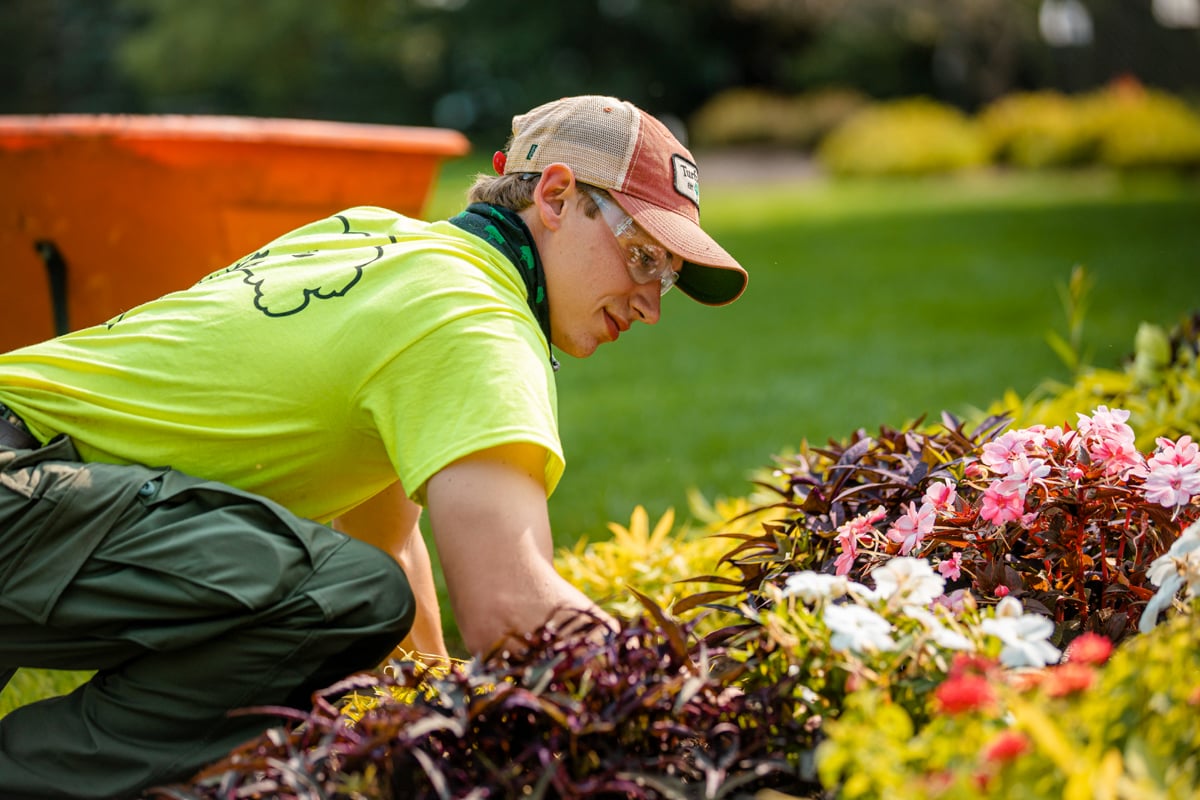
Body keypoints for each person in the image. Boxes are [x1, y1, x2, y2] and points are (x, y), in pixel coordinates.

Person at [0, 94, 747, 799]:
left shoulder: (378, 239)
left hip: (28, 483)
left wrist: (427, 706)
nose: (652, 304)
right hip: (21, 487)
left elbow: (386, 538)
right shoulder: (474, 322)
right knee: (347, 599)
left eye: (671, 278)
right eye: (644, 258)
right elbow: (513, 616)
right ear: (553, 197)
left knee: (354, 586)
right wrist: (704, 700)